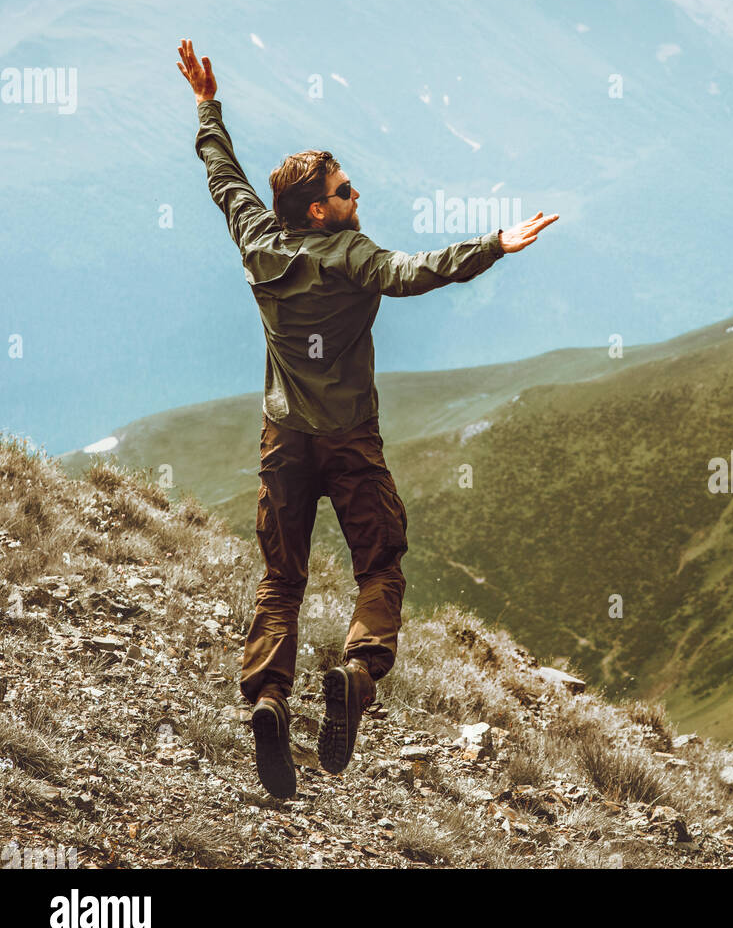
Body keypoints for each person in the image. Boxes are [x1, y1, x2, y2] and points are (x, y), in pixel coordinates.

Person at [177, 39, 558, 797]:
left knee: (280, 580)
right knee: (378, 566)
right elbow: (415, 273)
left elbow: (224, 179)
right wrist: (494, 245)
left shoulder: (258, 242)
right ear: (319, 210)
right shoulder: (349, 254)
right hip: (349, 440)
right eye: (347, 191)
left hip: (284, 440)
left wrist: (205, 105)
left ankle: (267, 699)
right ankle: (355, 674)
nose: (358, 198)